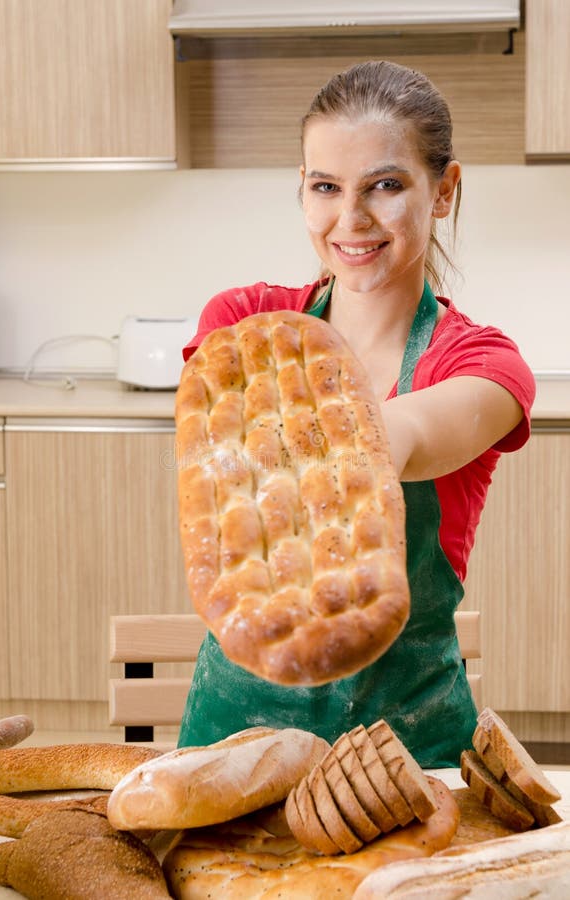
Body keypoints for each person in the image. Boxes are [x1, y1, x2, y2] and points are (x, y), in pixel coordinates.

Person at [176, 60, 535, 767]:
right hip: (232, 741)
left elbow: (384, 441)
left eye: (386, 185)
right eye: (326, 188)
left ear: (444, 192)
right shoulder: (245, 325)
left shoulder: (483, 366)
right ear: (303, 193)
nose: (351, 219)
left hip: (408, 754)